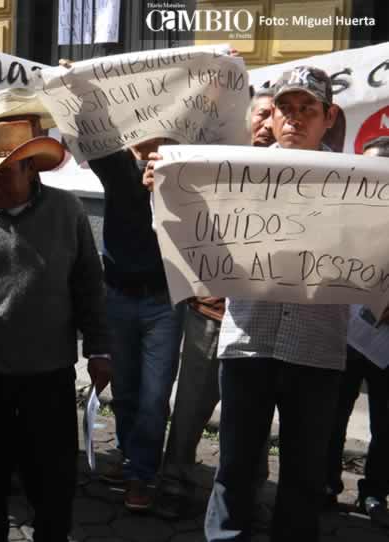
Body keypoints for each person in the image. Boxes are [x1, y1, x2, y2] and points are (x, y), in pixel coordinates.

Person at [0, 120, 111, 542]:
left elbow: (88, 285)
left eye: (3, 173)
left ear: (31, 169)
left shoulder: (68, 212)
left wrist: (100, 349)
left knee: (52, 476)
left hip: (49, 373)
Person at [195, 66, 347, 542]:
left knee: (303, 473)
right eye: (285, 108)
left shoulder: (360, 185)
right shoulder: (235, 174)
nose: (294, 119)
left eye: (308, 109)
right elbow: (194, 229)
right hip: (248, 343)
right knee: (236, 466)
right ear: (272, 114)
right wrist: (165, 187)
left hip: (316, 348)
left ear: (329, 117)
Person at [157, 86, 277, 519]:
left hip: (262, 319)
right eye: (260, 114)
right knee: (191, 405)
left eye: (274, 115)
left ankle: (249, 494)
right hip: (209, 311)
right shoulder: (215, 165)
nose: (267, 123)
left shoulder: (297, 173)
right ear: (245, 120)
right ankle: (174, 482)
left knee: (255, 416)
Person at [86, 132, 185, 511]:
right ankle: (132, 460)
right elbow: (88, 134)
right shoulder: (115, 166)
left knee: (155, 394)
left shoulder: (183, 163)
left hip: (165, 301)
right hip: (118, 298)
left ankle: (142, 475)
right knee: (125, 388)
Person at [323, 134, 389, 528]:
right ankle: (326, 483)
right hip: (342, 332)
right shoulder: (341, 211)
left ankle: (375, 492)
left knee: (386, 424)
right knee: (331, 415)